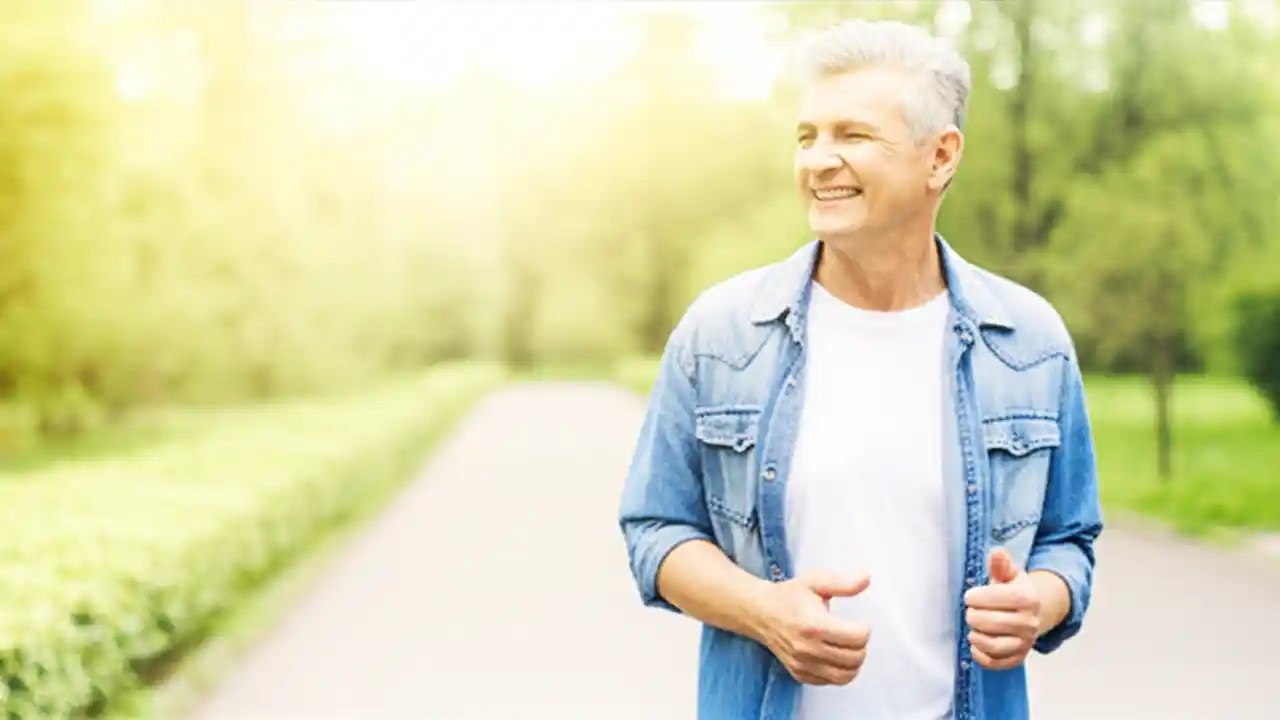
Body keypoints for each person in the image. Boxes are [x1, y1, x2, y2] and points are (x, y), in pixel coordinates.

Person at [617, 18, 1103, 720]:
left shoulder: (1028, 341)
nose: (818, 160)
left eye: (852, 135)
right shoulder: (721, 335)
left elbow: (1070, 540)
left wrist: (1040, 602)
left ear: (940, 157)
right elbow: (656, 530)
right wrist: (762, 610)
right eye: (807, 136)